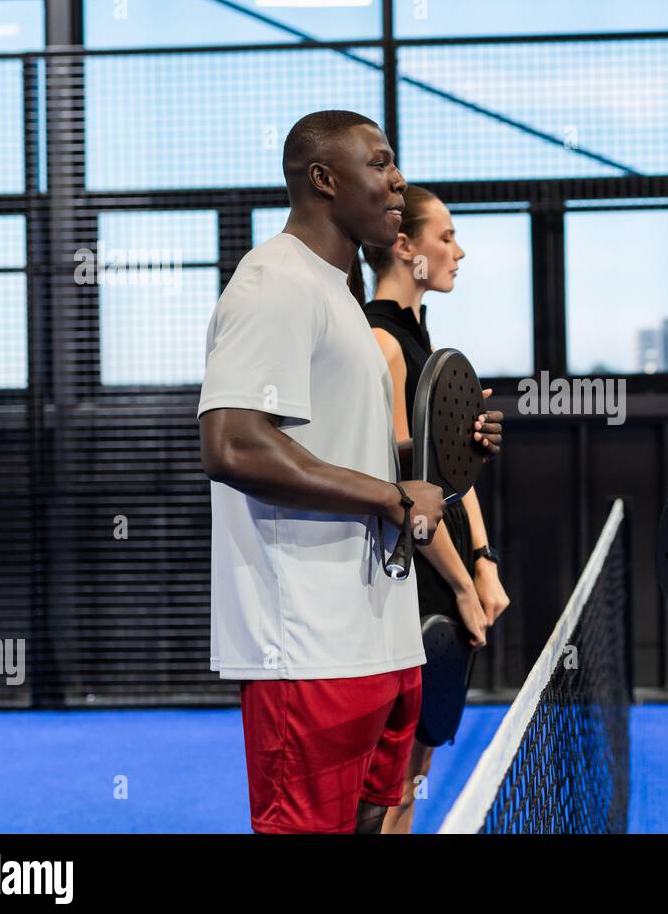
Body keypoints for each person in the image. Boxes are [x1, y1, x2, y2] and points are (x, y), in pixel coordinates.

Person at [197, 110, 503, 834]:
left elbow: (353, 455)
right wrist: (395, 494)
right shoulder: (271, 282)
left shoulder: (338, 296)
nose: (397, 180)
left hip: (378, 635)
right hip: (303, 645)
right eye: (380, 162)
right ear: (324, 179)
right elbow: (233, 444)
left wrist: (442, 459)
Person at [359, 184, 512, 833]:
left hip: (446, 575)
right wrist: (461, 584)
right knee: (388, 786)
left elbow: (449, 474)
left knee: (415, 772)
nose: (459, 250)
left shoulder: (424, 343)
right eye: (445, 236)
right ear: (403, 246)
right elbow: (405, 495)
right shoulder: (381, 345)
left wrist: (484, 561)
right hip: (408, 581)